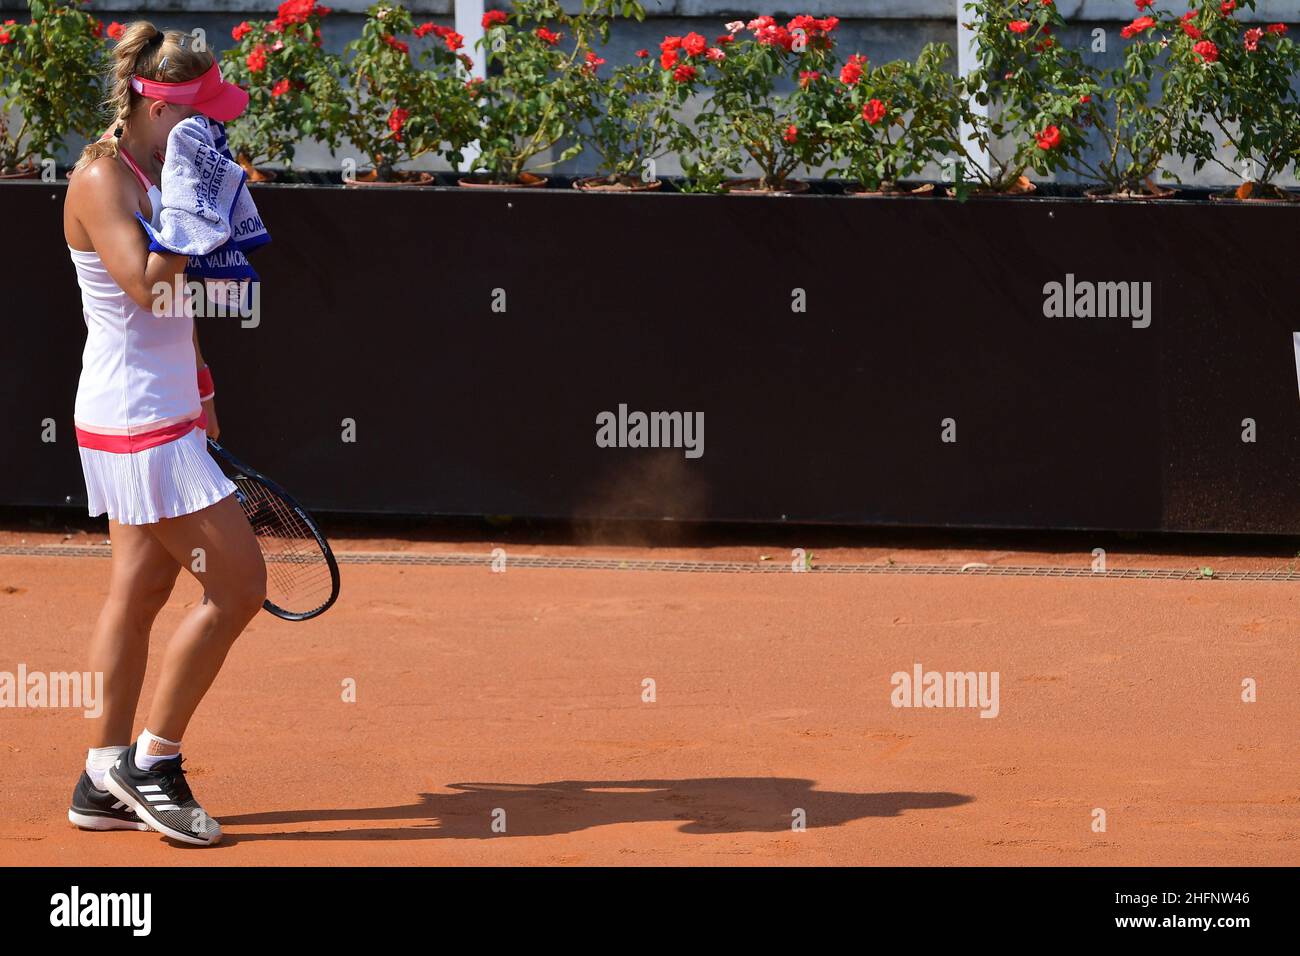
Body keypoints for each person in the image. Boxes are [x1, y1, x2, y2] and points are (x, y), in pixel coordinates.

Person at [63, 21, 265, 847]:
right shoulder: (102, 181)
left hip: (166, 406)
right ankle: (153, 764)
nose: (213, 130)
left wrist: (205, 382)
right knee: (239, 587)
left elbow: (177, 316)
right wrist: (186, 209)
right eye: (200, 116)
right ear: (155, 107)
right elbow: (147, 293)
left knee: (141, 592)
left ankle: (100, 771)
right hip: (134, 420)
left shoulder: (154, 165)